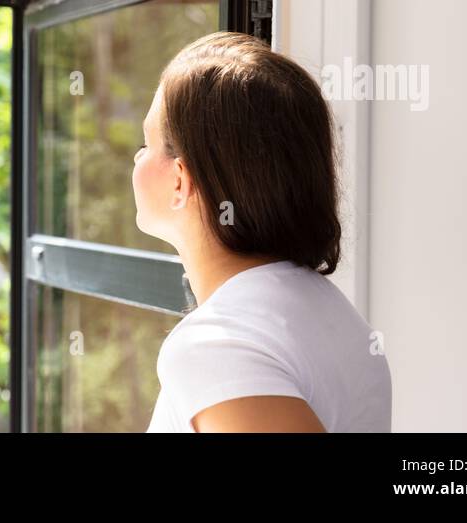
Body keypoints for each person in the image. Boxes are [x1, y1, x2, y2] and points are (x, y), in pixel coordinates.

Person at [134, 33, 391, 432]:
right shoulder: (330, 312)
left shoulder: (217, 344)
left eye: (146, 143)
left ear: (180, 181)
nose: (137, 158)